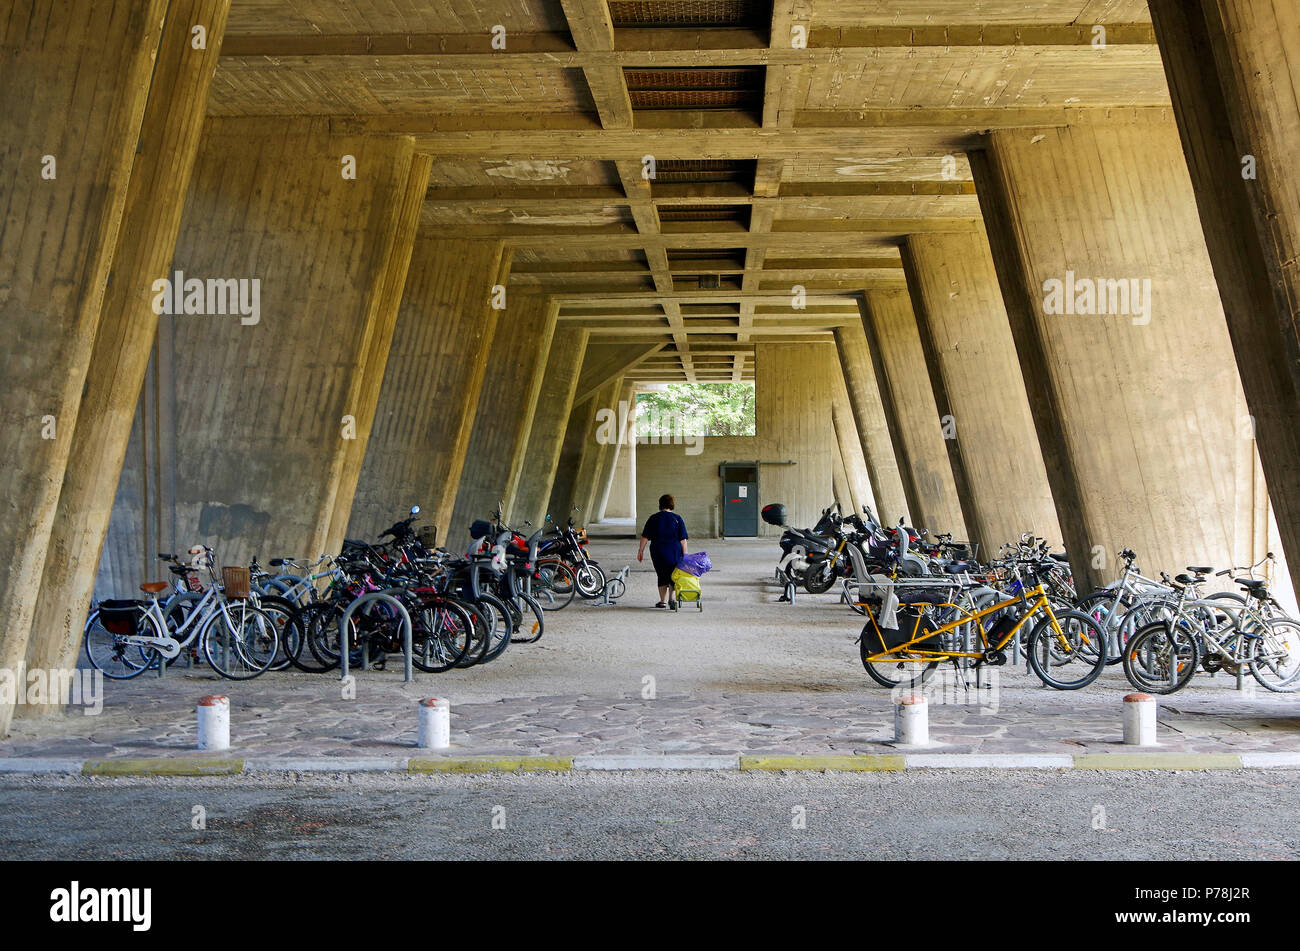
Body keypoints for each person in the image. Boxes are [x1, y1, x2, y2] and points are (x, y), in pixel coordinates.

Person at [638, 494, 688, 608]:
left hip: (658, 550)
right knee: (673, 574)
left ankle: (662, 601)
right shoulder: (677, 518)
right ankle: (671, 599)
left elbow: (645, 536)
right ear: (672, 504)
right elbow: (683, 539)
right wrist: (685, 555)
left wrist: (640, 551)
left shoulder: (653, 518)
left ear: (660, 504)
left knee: (661, 574)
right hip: (674, 550)